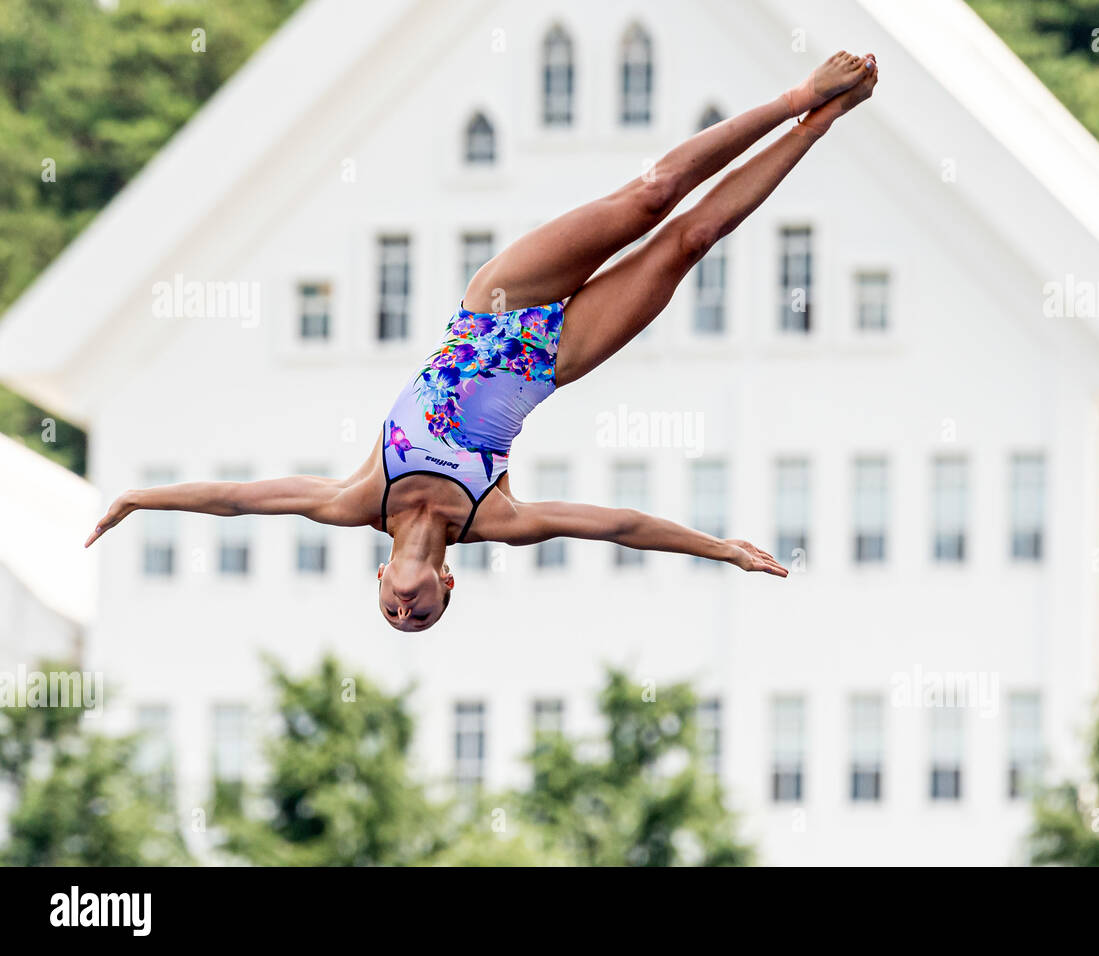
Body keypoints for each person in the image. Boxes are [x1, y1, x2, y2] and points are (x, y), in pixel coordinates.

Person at [86, 52, 881, 632]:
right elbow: (615, 525)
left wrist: (134, 497)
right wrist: (720, 549)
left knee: (648, 199)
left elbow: (235, 499)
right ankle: (826, 120)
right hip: (555, 357)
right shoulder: (494, 519)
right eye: (417, 616)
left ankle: (797, 95)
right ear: (447, 588)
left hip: (498, 305)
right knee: (690, 240)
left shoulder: (352, 500)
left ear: (379, 577)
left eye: (392, 610)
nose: (404, 608)